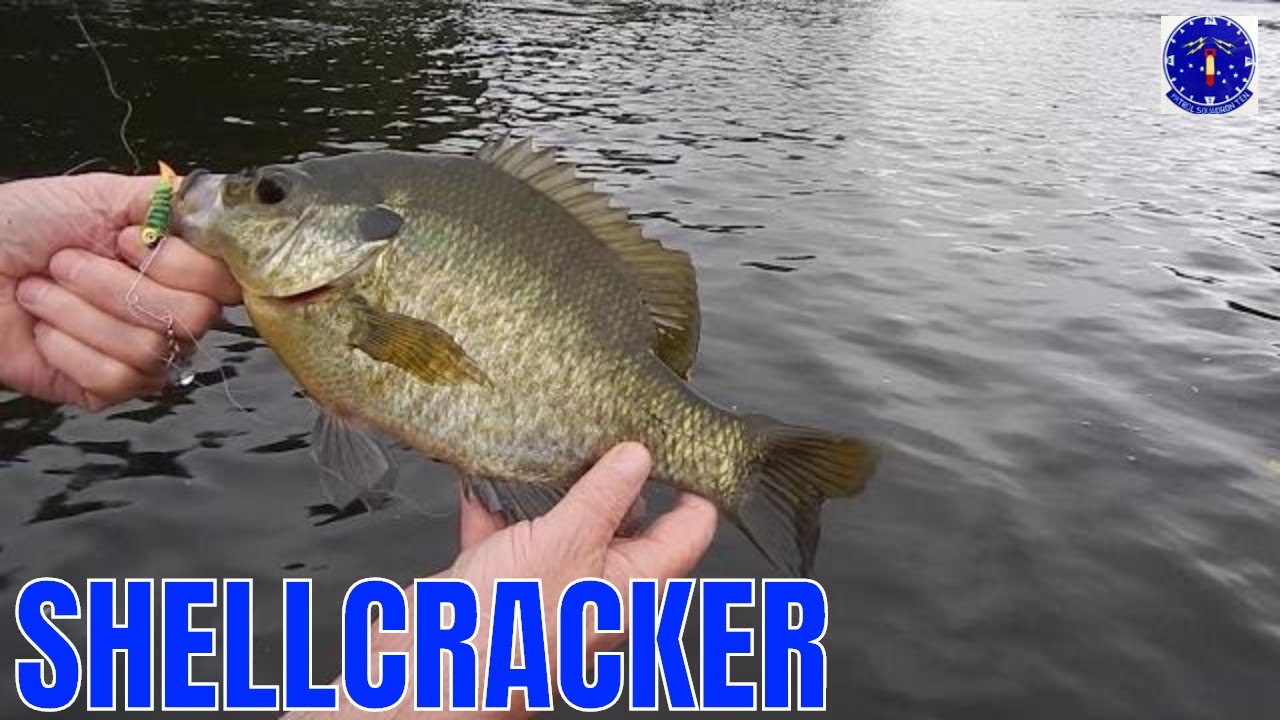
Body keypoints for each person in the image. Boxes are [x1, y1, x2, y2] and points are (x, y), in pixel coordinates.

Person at [1, 173, 720, 717]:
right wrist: (466, 667)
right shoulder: (302, 292)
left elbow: (421, 356)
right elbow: (421, 361)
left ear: (363, 234)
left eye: (273, 194)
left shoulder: (340, 297)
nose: (239, 197)